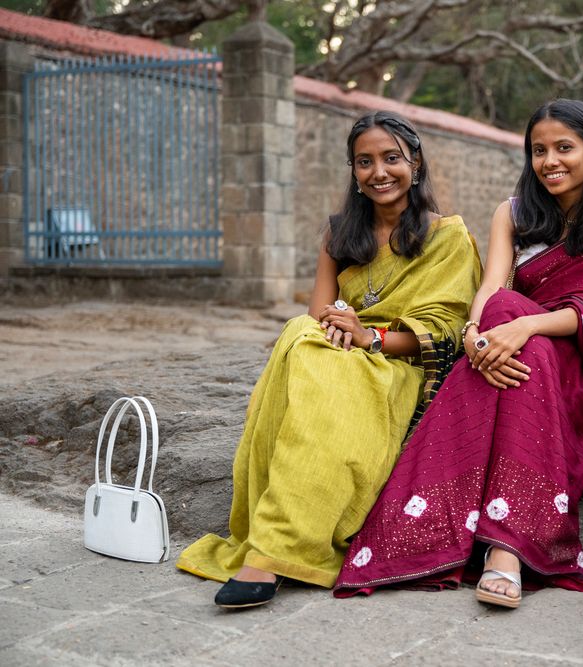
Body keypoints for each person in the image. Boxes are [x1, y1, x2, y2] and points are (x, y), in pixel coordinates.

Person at [333, 99, 583, 608]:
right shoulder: (515, 212)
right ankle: (507, 550)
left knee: (525, 332)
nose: (550, 161)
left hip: (579, 358)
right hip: (510, 351)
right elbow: (491, 284)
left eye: (564, 148)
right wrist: (476, 333)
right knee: (502, 304)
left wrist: (523, 326)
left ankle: (453, 533)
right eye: (539, 150)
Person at [176, 111, 481, 608]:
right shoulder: (341, 234)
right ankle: (276, 544)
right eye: (365, 162)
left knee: (312, 361)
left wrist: (370, 338)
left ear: (416, 163)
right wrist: (342, 334)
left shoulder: (447, 238)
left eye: (391, 158)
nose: (378, 172)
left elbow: (447, 329)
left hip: (394, 365)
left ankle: (272, 554)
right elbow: (319, 311)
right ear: (353, 171)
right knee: (301, 333)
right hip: (332, 351)